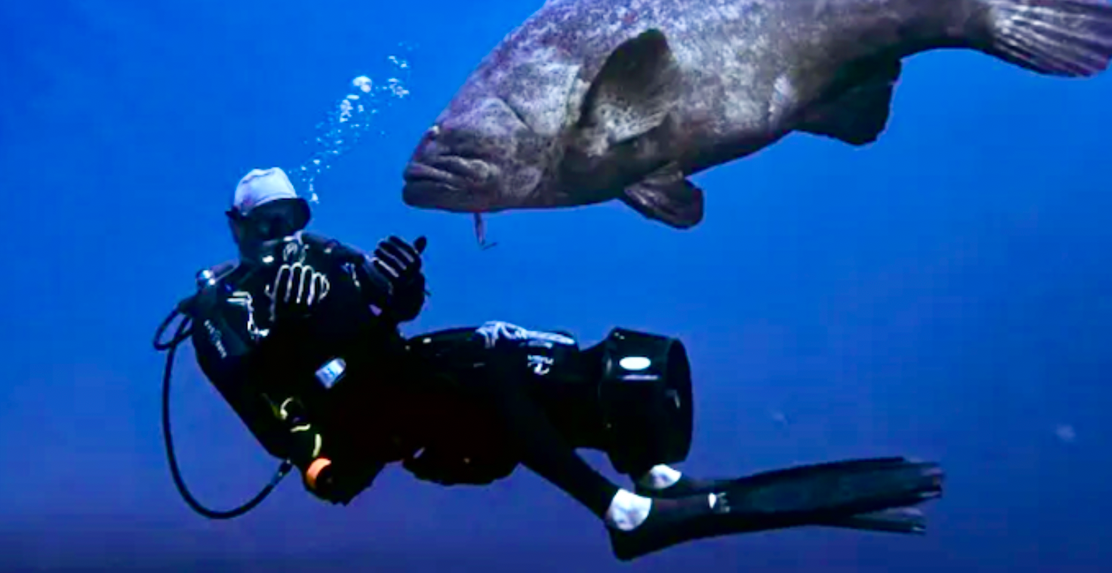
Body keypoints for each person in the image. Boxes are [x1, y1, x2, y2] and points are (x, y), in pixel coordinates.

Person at [176, 167, 944, 561]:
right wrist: (287, 335)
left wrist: (400, 291)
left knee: (525, 352)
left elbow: (391, 319)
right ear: (238, 228)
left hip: (407, 379)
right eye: (268, 224)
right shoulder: (218, 317)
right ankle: (621, 515)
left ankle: (653, 474)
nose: (285, 234)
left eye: (293, 218)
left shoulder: (328, 257)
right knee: (479, 363)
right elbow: (270, 415)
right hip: (350, 440)